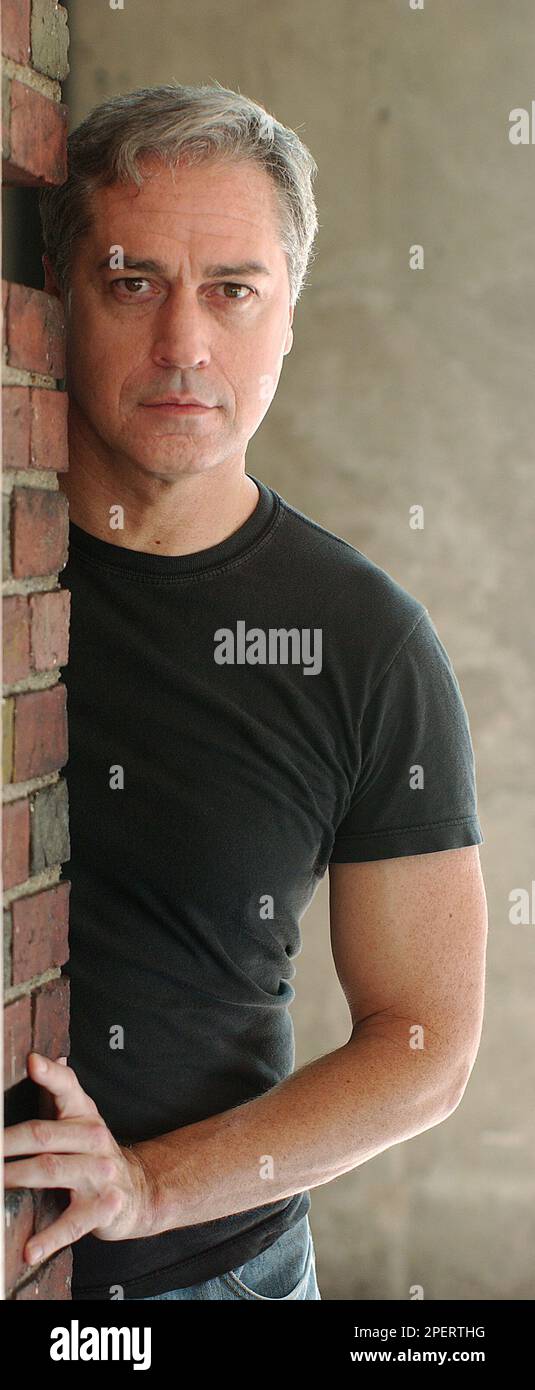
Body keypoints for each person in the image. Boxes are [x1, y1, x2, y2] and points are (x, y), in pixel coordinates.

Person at [5, 81, 487, 1302]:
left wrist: (151, 1187)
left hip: (214, 1277)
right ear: (60, 299)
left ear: (287, 318)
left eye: (231, 290)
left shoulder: (363, 644)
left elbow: (422, 1047)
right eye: (132, 283)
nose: (182, 343)